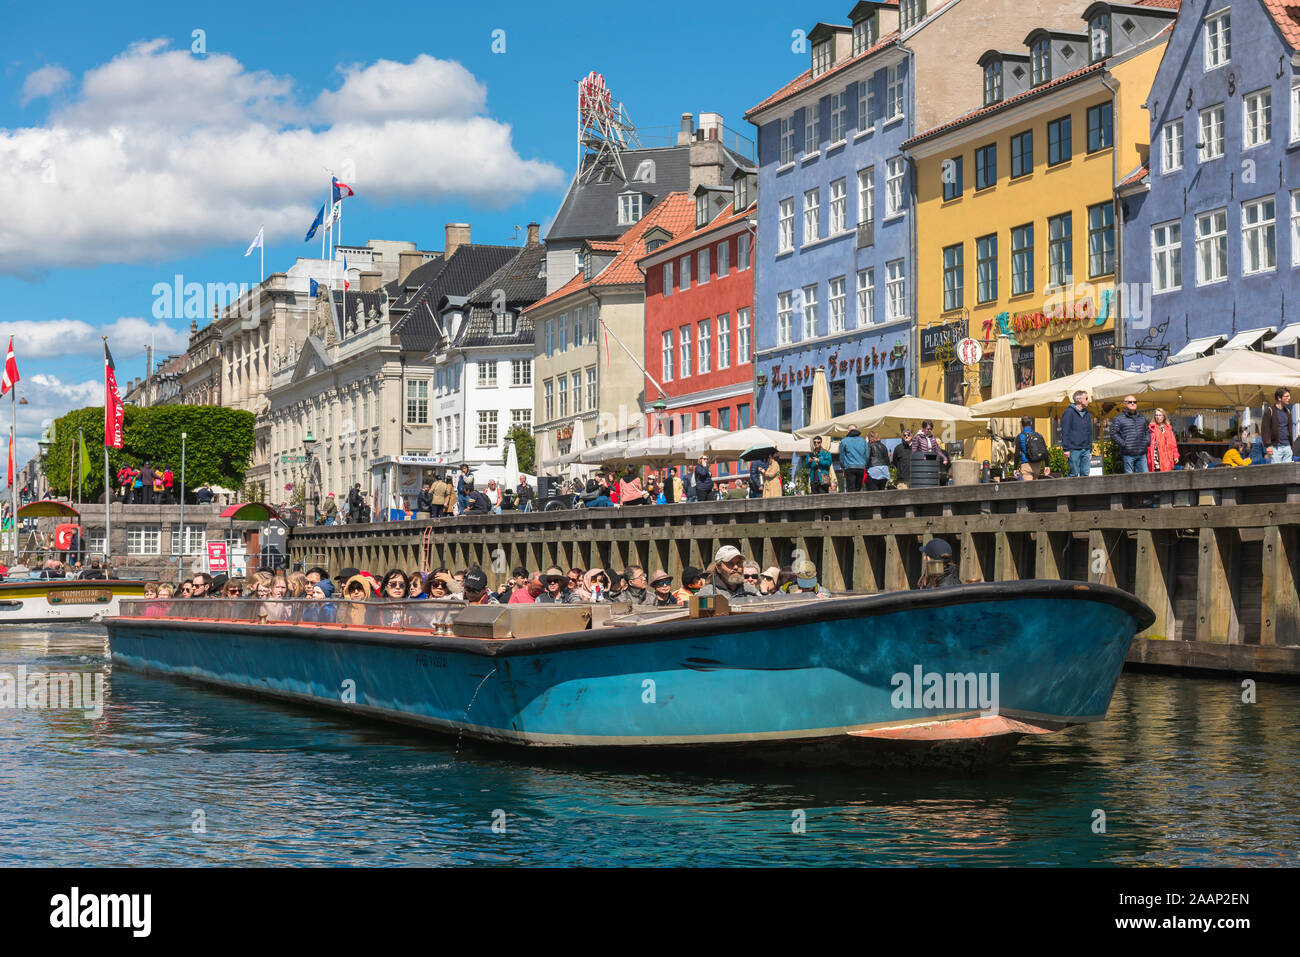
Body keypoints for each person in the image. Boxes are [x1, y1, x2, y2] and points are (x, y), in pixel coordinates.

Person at [695, 545, 762, 602]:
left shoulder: (750, 591)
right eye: (730, 563)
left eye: (739, 563)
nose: (736, 567)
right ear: (718, 568)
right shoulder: (708, 593)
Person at [1109, 395, 1151, 473]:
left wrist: (1147, 442)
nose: (1133, 404)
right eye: (1130, 402)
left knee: (1145, 478)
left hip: (1141, 453)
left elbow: (1147, 431)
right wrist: (1124, 444)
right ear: (1125, 404)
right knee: (1129, 479)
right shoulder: (1119, 418)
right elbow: (1113, 433)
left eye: (1135, 402)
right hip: (1128, 454)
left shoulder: (1142, 418)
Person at [1061, 390, 1094, 478]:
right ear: (1079, 400)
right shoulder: (1069, 412)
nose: (1088, 400)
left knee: (1085, 474)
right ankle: (1070, 492)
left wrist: (1090, 449)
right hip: (1074, 449)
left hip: (1086, 449)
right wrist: (1066, 449)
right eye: (1086, 398)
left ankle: (1085, 492)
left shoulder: (1087, 413)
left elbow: (1089, 432)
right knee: (1073, 474)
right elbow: (1065, 431)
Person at [1261, 387, 1295, 464]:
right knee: (1276, 473)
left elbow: (1289, 429)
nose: (1289, 398)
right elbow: (1265, 429)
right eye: (1286, 396)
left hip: (1287, 447)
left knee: (1287, 472)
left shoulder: (1288, 411)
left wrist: (1291, 446)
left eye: (1289, 396)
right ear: (1279, 398)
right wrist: (1268, 445)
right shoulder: (1270, 411)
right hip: (1275, 448)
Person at [1147, 408, 1180, 472]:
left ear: (1164, 416)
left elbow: (1173, 444)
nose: (1158, 417)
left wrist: (1175, 455)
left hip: (1166, 457)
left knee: (1166, 476)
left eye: (1160, 415)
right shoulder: (1151, 428)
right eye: (1156, 415)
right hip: (1155, 457)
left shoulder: (1168, 429)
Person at [1016, 416, 1047, 481]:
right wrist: (1047, 465)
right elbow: (1045, 450)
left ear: (1021, 424)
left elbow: (1017, 453)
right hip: (1037, 465)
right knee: (1035, 486)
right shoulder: (1038, 435)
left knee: (1029, 488)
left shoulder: (1020, 436)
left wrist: (1015, 468)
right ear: (1031, 423)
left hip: (1026, 464)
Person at [838, 428, 868, 493]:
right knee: (858, 488)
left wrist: (843, 466)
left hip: (849, 467)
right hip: (861, 467)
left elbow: (842, 456)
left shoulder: (844, 441)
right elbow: (866, 455)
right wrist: (864, 464)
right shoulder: (863, 441)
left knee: (850, 489)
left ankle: (852, 502)